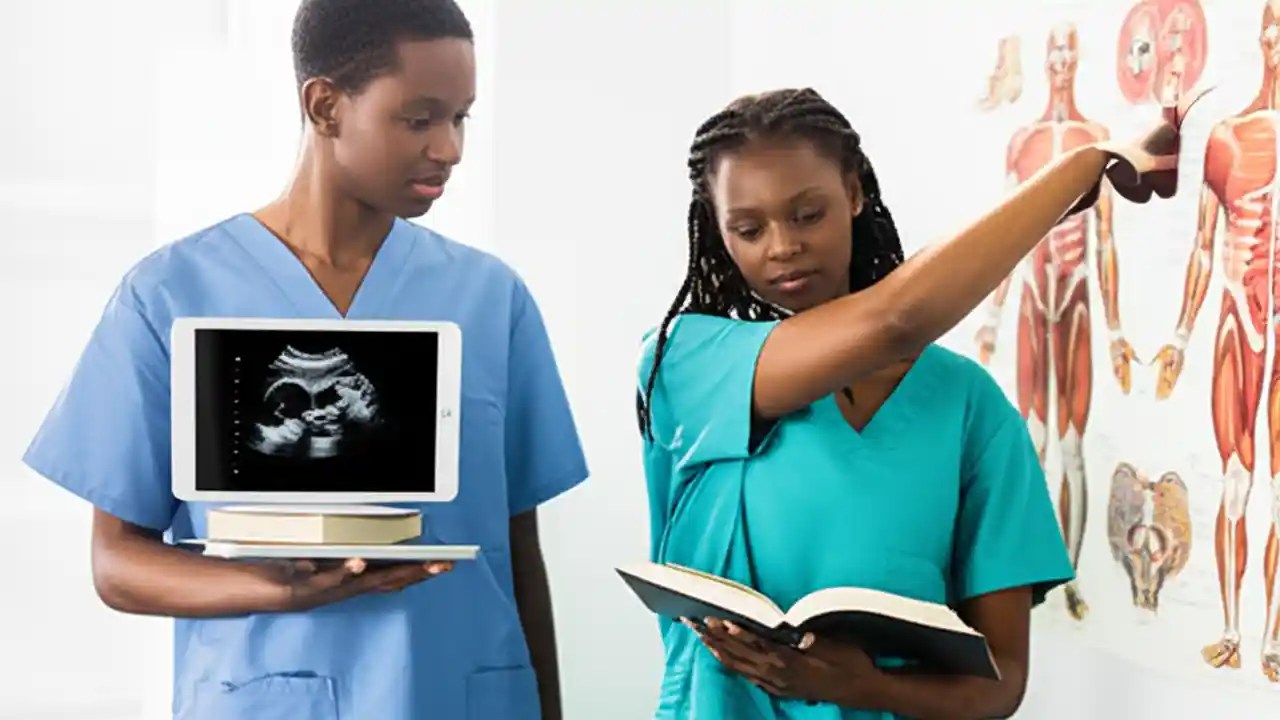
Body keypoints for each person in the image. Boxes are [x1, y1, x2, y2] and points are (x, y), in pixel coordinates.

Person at [21, 1, 586, 719]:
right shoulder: (170, 294)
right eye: (420, 119)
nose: (450, 148)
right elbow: (118, 565)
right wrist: (281, 587)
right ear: (324, 106)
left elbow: (519, 556)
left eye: (461, 117)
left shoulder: (488, 299)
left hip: (465, 692)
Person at [635, 87, 1197, 719]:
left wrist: (860, 686)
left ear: (853, 194)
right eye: (748, 227)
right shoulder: (685, 361)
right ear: (717, 229)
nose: (781, 246)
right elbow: (897, 320)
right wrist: (1087, 163)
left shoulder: (968, 407)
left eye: (807, 214)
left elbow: (1001, 683)